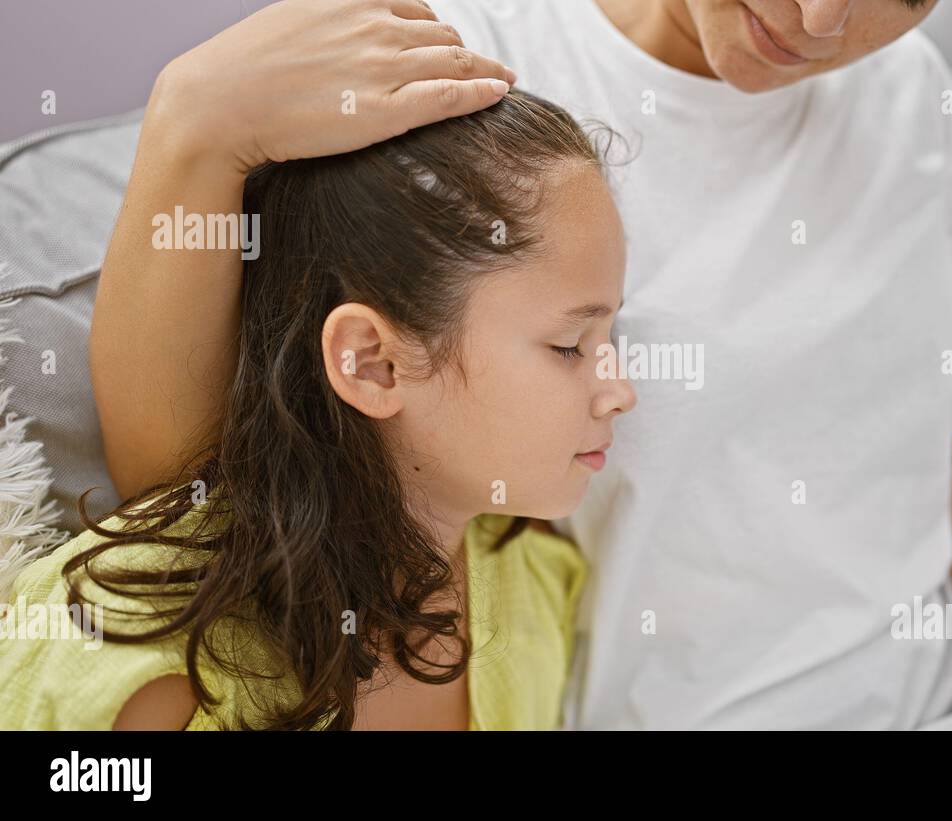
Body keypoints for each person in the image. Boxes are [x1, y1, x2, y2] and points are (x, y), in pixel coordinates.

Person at [90, 0, 952, 730]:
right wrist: (191, 125)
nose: (826, 23)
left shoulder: (903, 95)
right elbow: (202, 492)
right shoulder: (471, 65)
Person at [0, 88, 636, 730]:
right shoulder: (126, 651)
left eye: (610, 335)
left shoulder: (531, 586)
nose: (622, 390)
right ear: (372, 363)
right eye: (568, 346)